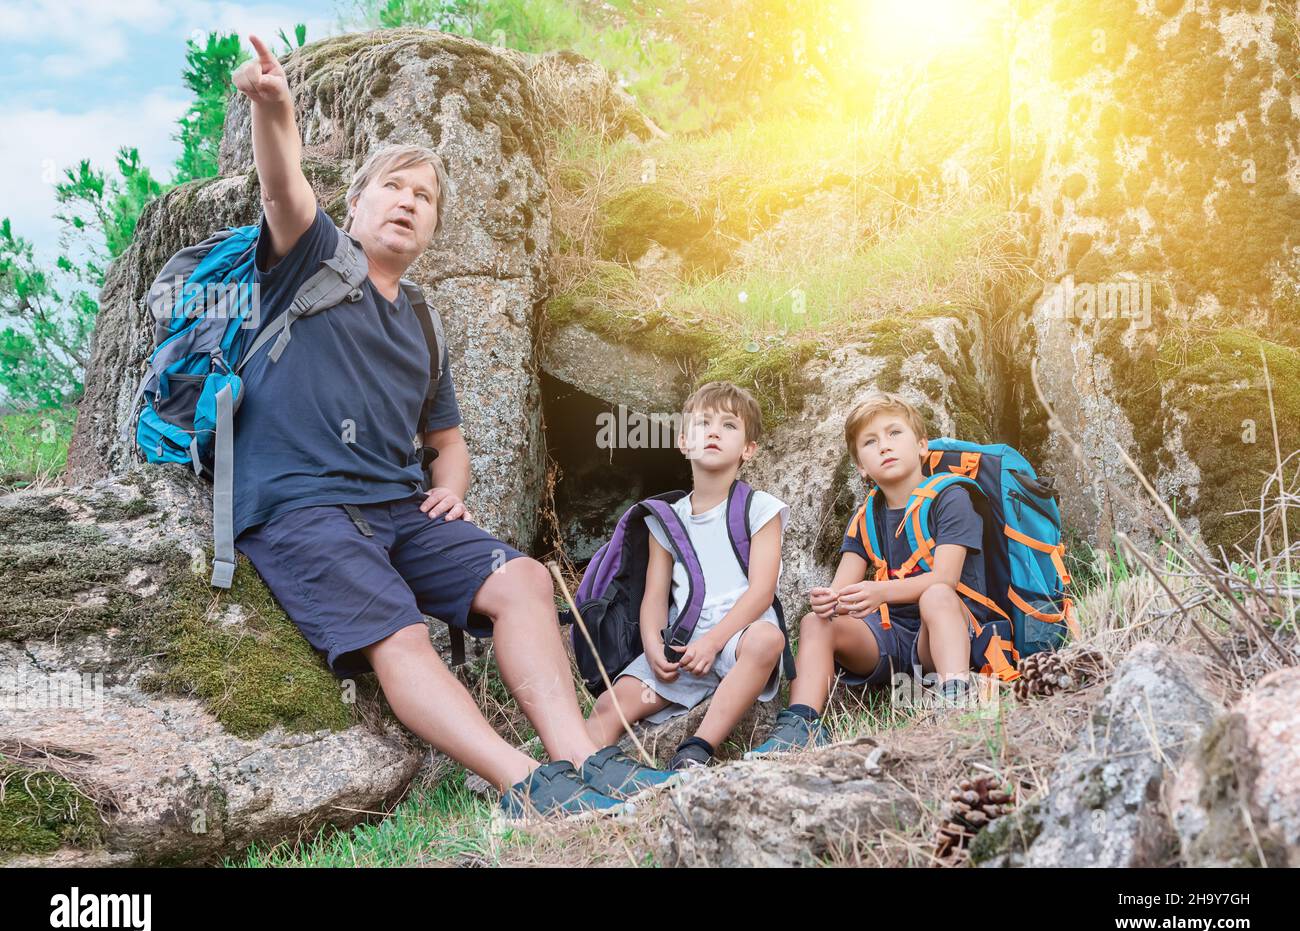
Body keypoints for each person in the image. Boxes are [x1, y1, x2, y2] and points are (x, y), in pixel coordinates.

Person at [228, 34, 671, 818]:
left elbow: (448, 439)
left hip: (399, 511)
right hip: (302, 508)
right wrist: (274, 108)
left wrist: (452, 490)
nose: (406, 201)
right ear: (355, 205)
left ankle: (584, 761)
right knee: (402, 633)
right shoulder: (313, 260)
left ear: (433, 227)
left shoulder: (425, 321)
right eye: (392, 188)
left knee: (526, 579)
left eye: (423, 197)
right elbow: (281, 190)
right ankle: (526, 783)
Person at [750, 392, 996, 755]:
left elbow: (945, 578)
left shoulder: (951, 498)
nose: (885, 446)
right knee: (816, 623)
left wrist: (879, 592)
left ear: (922, 446)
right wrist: (829, 601)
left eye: (895, 433)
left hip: (943, 636)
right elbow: (843, 589)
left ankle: (954, 699)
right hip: (887, 639)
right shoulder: (866, 516)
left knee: (937, 595)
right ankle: (800, 725)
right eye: (870, 442)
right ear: (861, 466)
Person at [584, 382, 789, 770]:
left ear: (748, 449)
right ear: (683, 441)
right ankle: (585, 770)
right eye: (703, 423)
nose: (714, 432)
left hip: (737, 636)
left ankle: (696, 749)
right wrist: (652, 648)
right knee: (611, 703)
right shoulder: (667, 519)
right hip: (682, 645)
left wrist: (713, 643)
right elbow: (655, 597)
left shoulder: (761, 509)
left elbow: (762, 591)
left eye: (729, 425)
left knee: (767, 639)